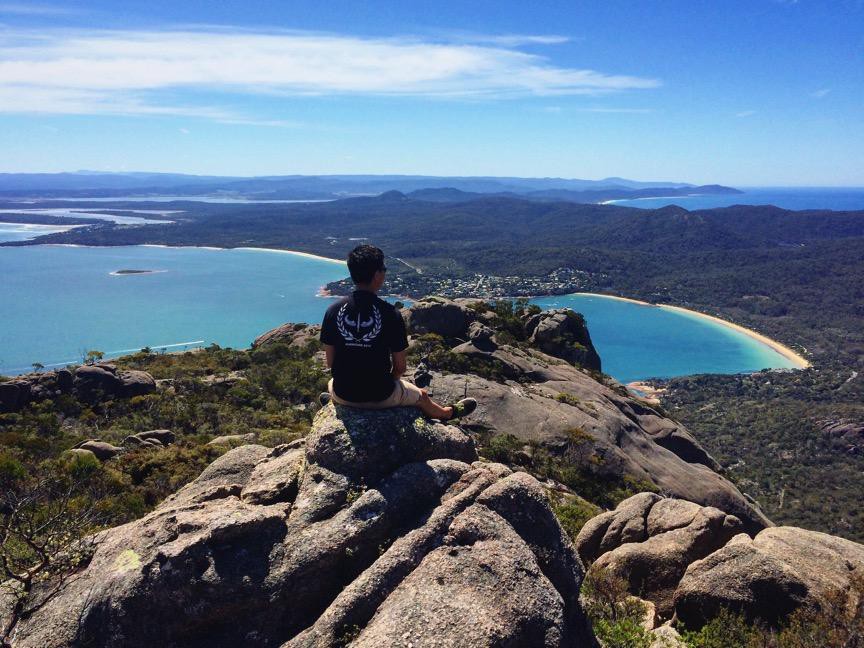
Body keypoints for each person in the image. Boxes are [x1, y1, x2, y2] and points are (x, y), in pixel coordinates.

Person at [320, 244, 476, 420]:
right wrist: (389, 383)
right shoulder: (390, 314)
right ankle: (448, 413)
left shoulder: (333, 311)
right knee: (422, 397)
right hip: (381, 396)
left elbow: (331, 363)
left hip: (343, 393)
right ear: (377, 274)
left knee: (332, 383)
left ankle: (336, 402)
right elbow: (400, 367)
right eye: (383, 269)